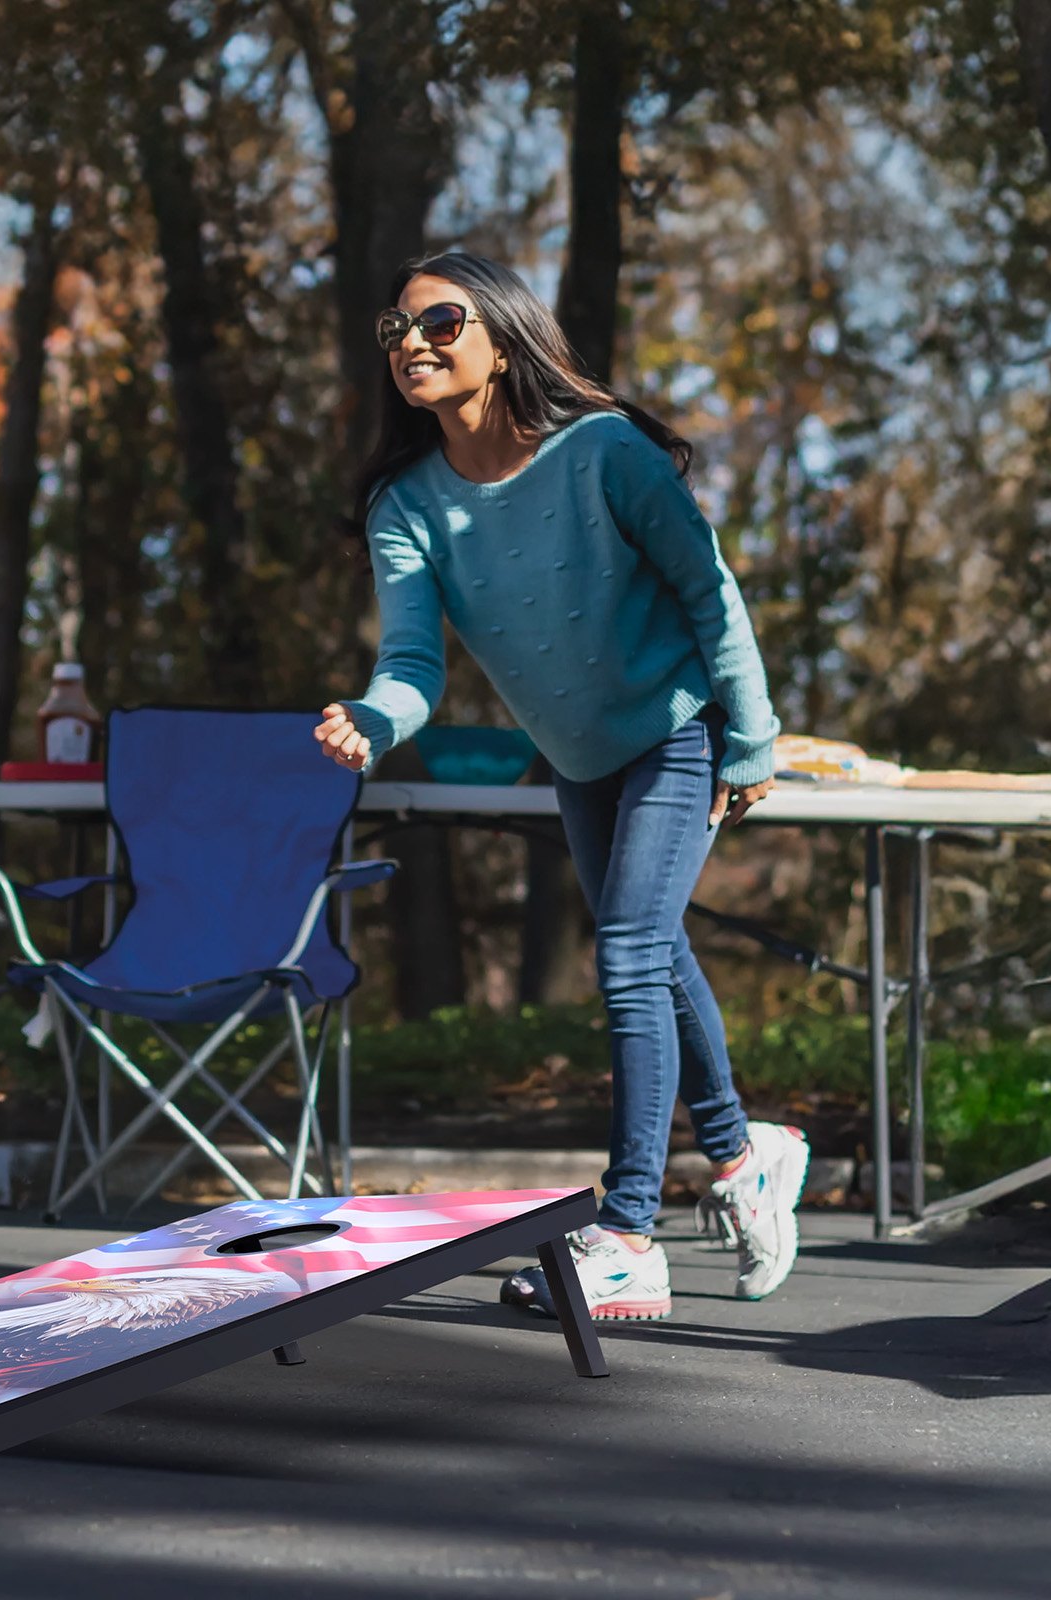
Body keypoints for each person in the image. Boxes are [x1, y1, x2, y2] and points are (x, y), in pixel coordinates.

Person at [314, 251, 808, 1319]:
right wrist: (371, 720)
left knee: (628, 949)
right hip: (579, 755)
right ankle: (741, 1152)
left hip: (676, 727)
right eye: (392, 329)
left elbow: (706, 589)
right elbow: (411, 666)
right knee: (656, 948)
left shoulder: (603, 453)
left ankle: (627, 1229)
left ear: (500, 333)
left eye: (439, 321)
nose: (411, 343)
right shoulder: (408, 504)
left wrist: (752, 738)